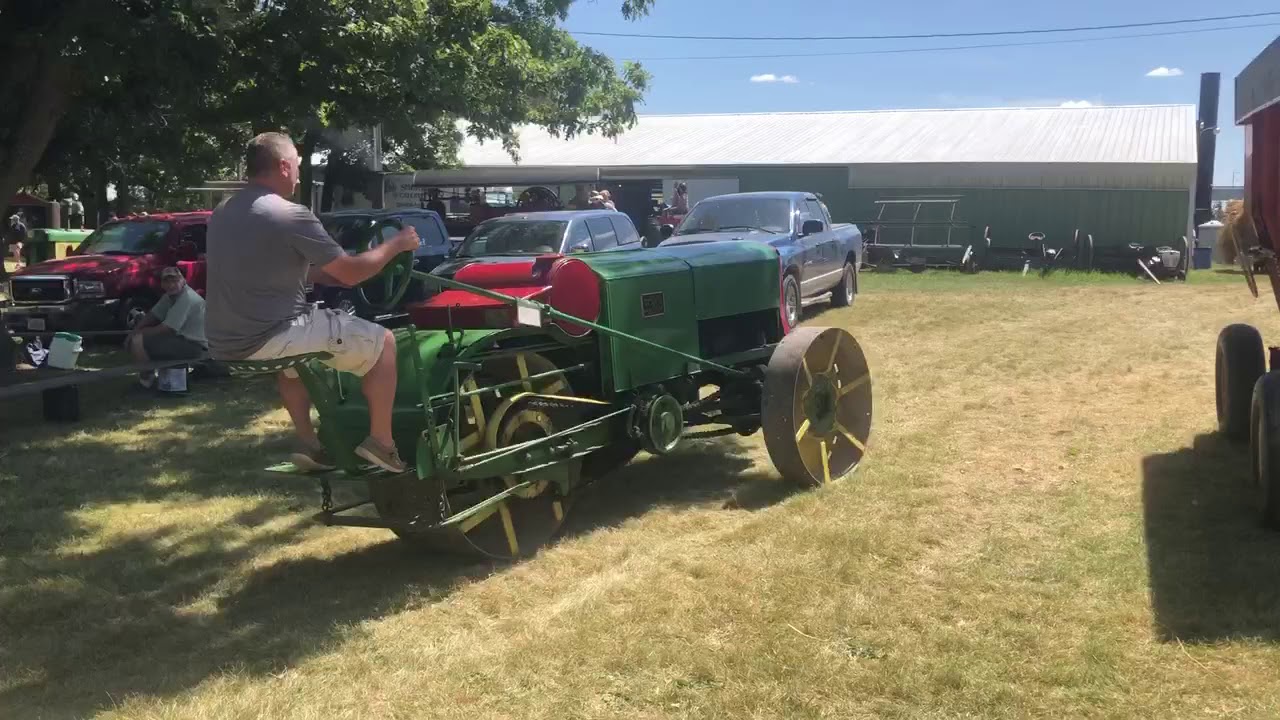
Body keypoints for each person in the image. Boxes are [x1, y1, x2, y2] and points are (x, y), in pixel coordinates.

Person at [205, 131, 421, 473]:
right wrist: (396, 245)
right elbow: (351, 273)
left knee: (295, 362)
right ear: (284, 166)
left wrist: (321, 275)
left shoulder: (224, 212)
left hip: (225, 341)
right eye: (298, 165)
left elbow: (264, 272)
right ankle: (382, 444)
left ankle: (310, 445)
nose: (300, 174)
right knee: (384, 343)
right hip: (270, 334)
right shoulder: (290, 214)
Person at [128, 267, 208, 388]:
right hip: (181, 340)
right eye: (167, 281)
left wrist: (139, 334)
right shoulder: (170, 296)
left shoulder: (186, 297)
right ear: (162, 284)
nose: (171, 285)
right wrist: (135, 330)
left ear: (183, 281)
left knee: (138, 341)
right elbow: (153, 315)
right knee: (137, 339)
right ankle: (148, 376)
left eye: (175, 281)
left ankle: (146, 380)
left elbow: (168, 329)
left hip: (195, 346)